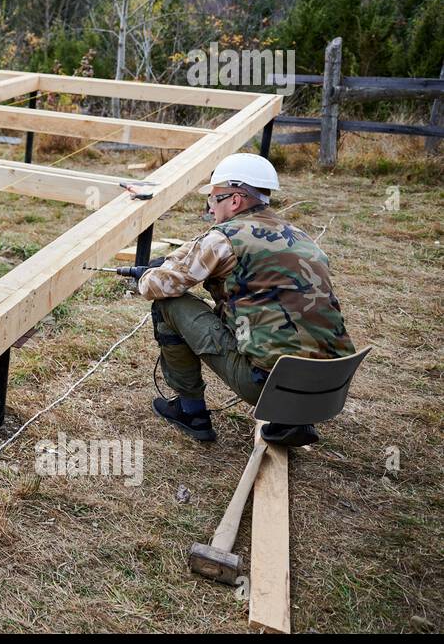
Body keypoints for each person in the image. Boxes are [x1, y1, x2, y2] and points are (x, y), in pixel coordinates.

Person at [134, 153, 355, 447]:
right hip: (332, 384)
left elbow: (159, 286)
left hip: (268, 384)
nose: (211, 209)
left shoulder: (223, 238)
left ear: (235, 200)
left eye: (213, 199)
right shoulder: (300, 235)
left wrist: (149, 272)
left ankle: (191, 413)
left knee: (169, 306)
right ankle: (292, 418)